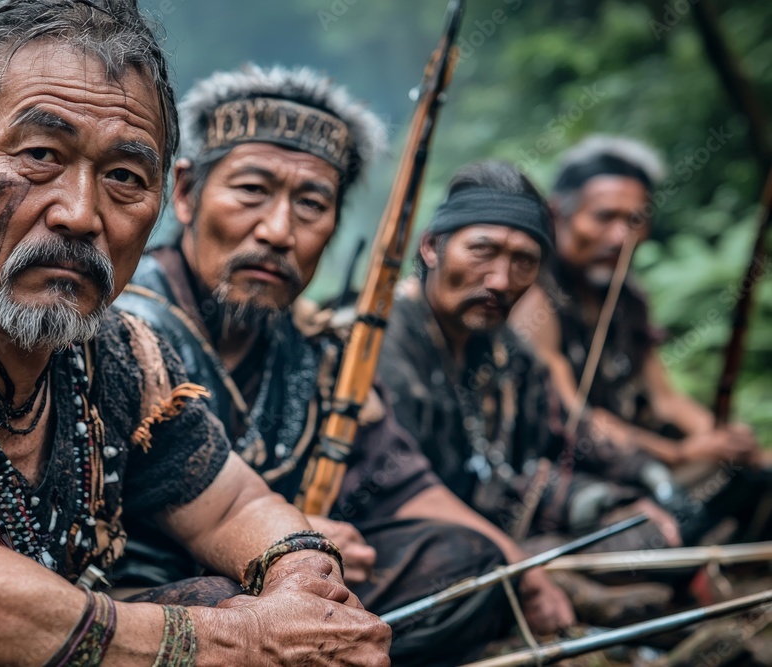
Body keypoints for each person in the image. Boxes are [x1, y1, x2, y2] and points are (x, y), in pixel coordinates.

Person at [0, 2, 392, 666]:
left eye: (124, 176)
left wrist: (298, 577)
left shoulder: (110, 353)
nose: (80, 213)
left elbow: (233, 502)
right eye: (40, 155)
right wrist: (233, 638)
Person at [113, 65, 575, 666]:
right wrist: (295, 544)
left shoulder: (316, 352)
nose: (278, 231)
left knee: (468, 564)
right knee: (219, 603)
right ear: (186, 192)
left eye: (311, 204)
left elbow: (406, 485)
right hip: (146, 606)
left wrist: (520, 567)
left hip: (291, 581)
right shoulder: (120, 328)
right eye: (251, 190)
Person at [378, 160, 683, 558]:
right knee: (463, 560)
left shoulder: (508, 352)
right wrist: (509, 555)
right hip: (418, 546)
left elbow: (560, 438)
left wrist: (632, 487)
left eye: (524, 261)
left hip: (497, 525)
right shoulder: (381, 346)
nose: (501, 280)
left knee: (649, 533)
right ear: (432, 247)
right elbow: (394, 492)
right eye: (482, 251)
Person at [510, 136, 771, 544]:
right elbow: (577, 419)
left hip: (642, 463)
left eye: (634, 220)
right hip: (580, 479)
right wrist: (680, 454)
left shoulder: (626, 297)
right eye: (604, 216)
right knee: (656, 529)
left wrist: (721, 440)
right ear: (558, 214)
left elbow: (665, 398)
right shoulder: (536, 298)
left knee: (756, 475)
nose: (619, 236)